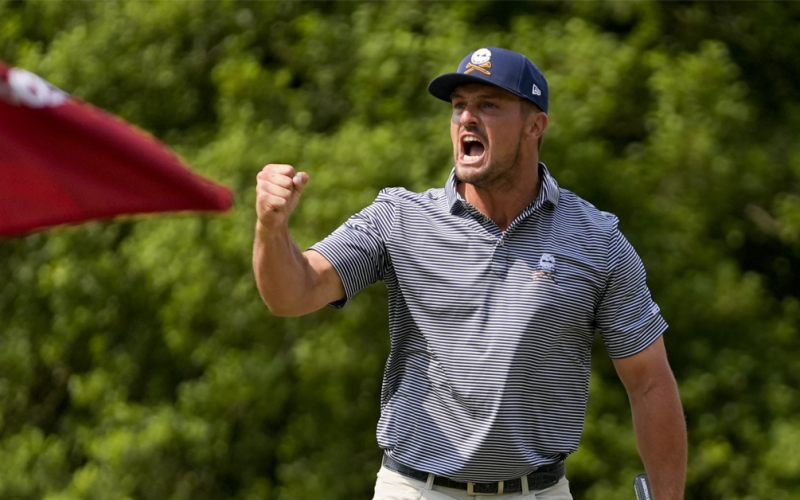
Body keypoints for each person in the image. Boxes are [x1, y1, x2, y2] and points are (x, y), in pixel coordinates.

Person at [253, 47, 687, 500]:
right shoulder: (399, 218)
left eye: (488, 105)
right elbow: (293, 293)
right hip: (417, 489)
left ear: (535, 125)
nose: (466, 118)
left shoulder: (596, 239)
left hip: (539, 491)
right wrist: (270, 227)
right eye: (459, 105)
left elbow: (649, 382)